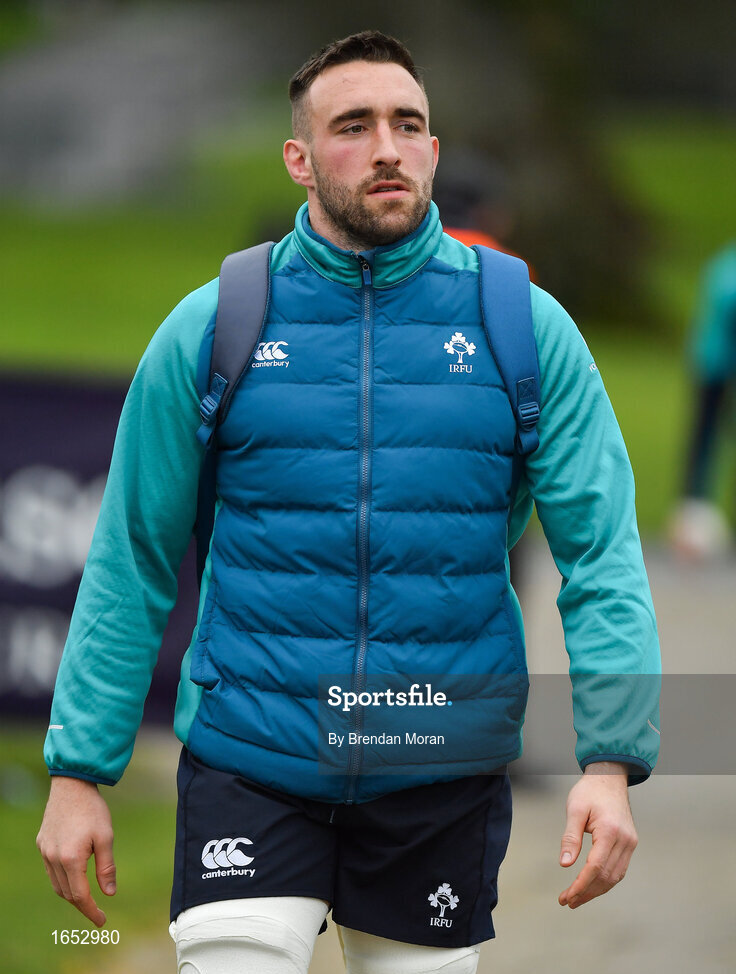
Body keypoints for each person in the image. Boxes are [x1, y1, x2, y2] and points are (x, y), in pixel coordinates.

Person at [37, 31, 660, 974]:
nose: (386, 148)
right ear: (299, 158)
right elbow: (133, 555)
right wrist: (79, 772)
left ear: (434, 151)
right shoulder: (214, 325)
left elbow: (603, 553)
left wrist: (610, 765)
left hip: (438, 769)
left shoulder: (522, 325)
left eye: (408, 124)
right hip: (253, 758)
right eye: (353, 126)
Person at [669, 242, 736, 560]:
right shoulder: (727, 270)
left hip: (712, 363)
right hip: (716, 367)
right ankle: (692, 515)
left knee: (704, 441)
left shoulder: (720, 264)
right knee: (704, 441)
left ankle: (694, 512)